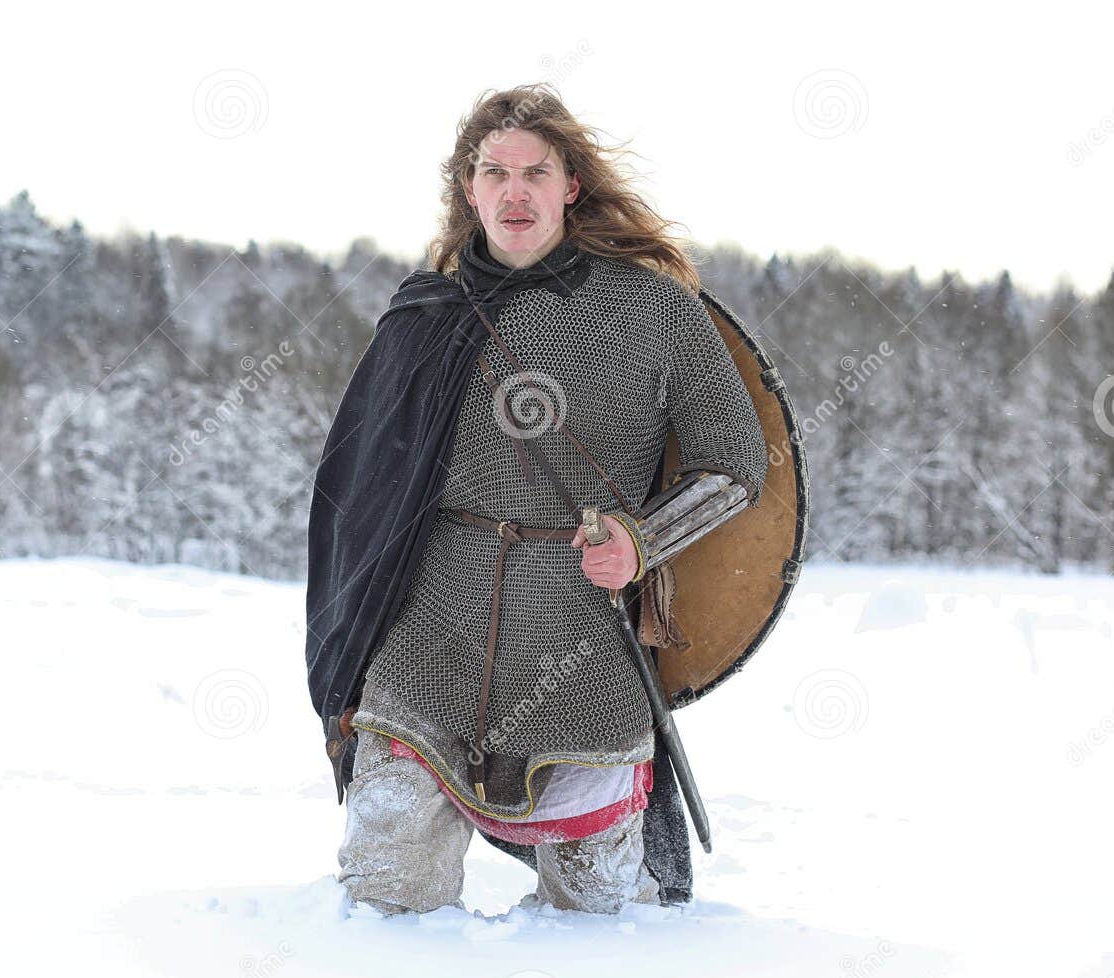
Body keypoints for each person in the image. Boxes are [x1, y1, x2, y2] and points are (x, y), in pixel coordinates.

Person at [305, 84, 769, 916]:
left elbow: (735, 461)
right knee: (381, 901)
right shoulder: (425, 316)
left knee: (596, 920)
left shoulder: (655, 310)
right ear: (469, 188)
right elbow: (362, 489)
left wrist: (642, 541)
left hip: (580, 650)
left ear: (570, 187)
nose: (514, 193)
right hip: (426, 639)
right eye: (495, 172)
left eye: (536, 173)